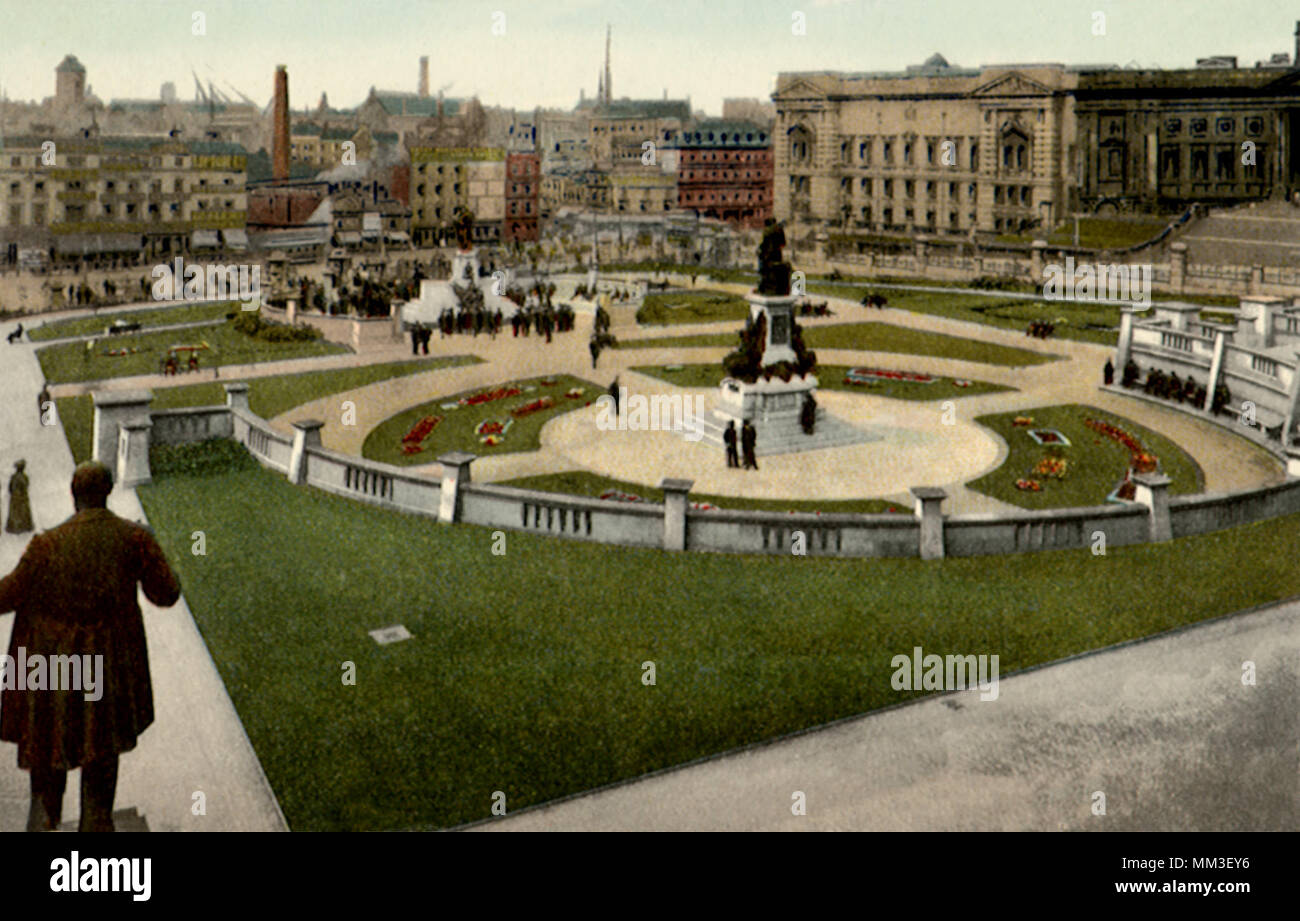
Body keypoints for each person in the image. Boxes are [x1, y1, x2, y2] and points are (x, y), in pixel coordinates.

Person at [0, 461, 181, 832]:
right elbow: (166, 593)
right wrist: (154, 542)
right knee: (99, 789)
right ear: (108, 492)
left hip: (50, 680)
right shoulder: (134, 538)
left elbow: (7, 595)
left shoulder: (45, 544)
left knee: (45, 795)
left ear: (73, 494)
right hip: (105, 681)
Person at [6, 461, 33, 533]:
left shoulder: (14, 477)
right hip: (22, 497)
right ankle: (24, 527)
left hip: (15, 497)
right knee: (22, 512)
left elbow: (10, 488)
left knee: (15, 513)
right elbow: (26, 486)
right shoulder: (25, 477)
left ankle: (15, 528)